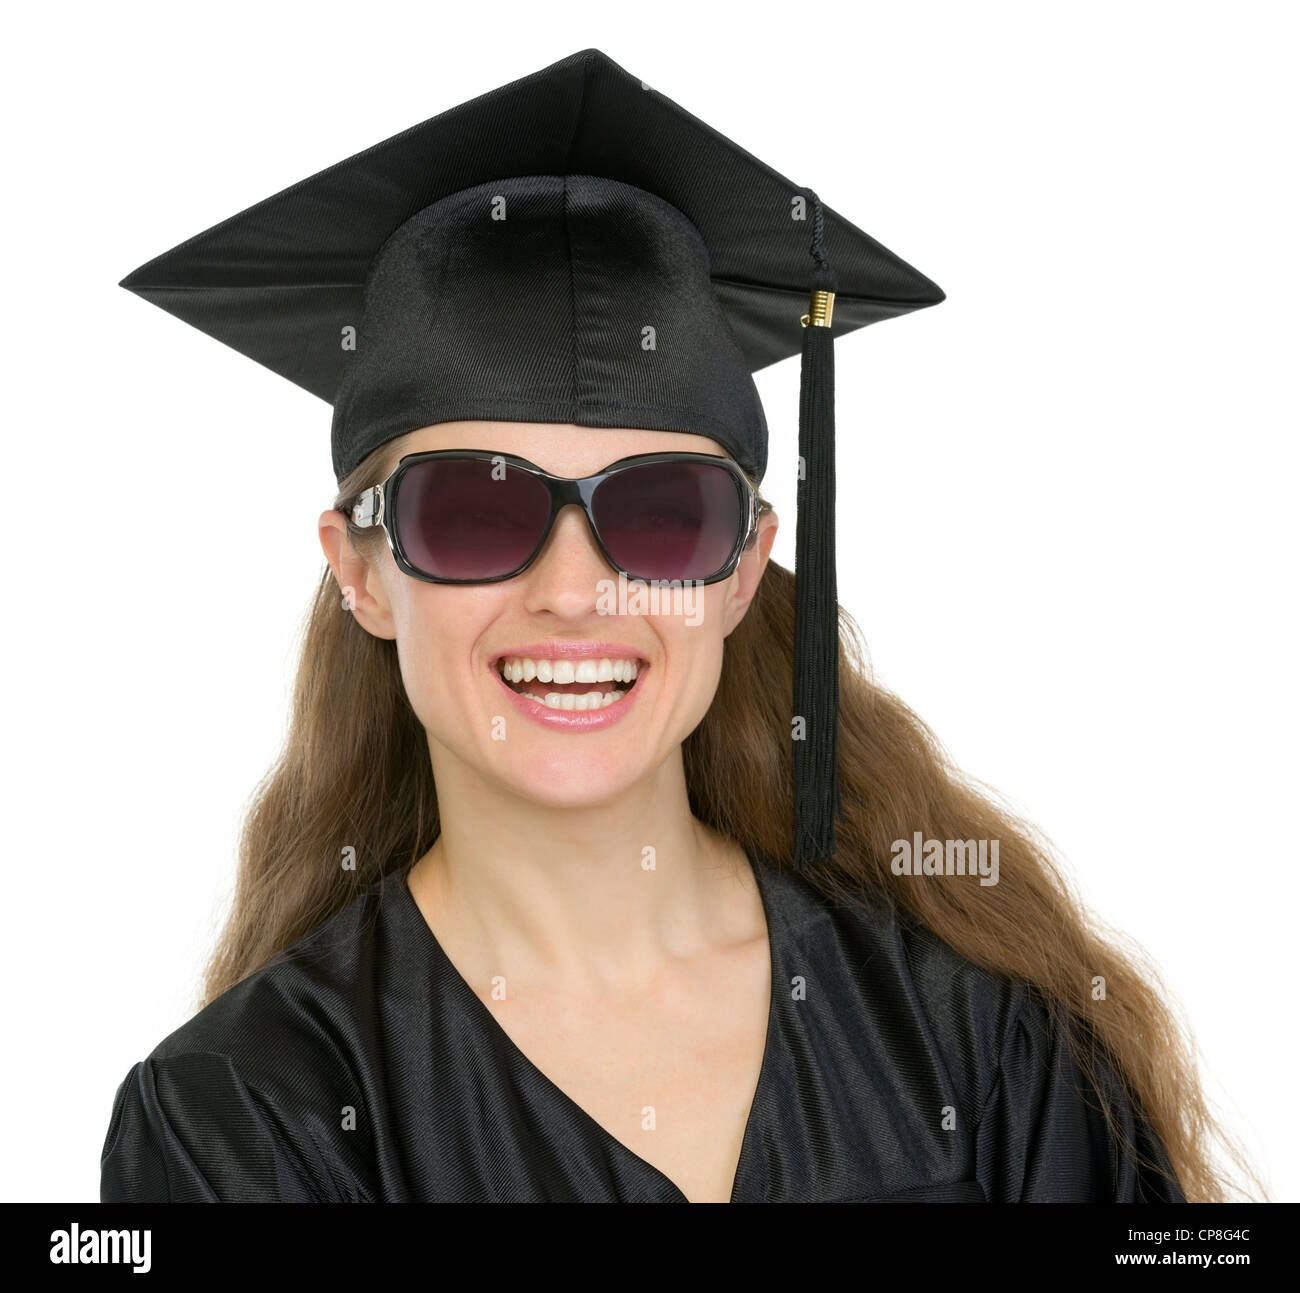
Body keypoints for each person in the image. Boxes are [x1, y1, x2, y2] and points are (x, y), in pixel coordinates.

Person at [100, 48, 1249, 1203]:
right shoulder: (246, 1121)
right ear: (361, 571)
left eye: (657, 514)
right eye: (471, 507)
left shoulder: (981, 1047)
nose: (572, 589)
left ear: (743, 568)